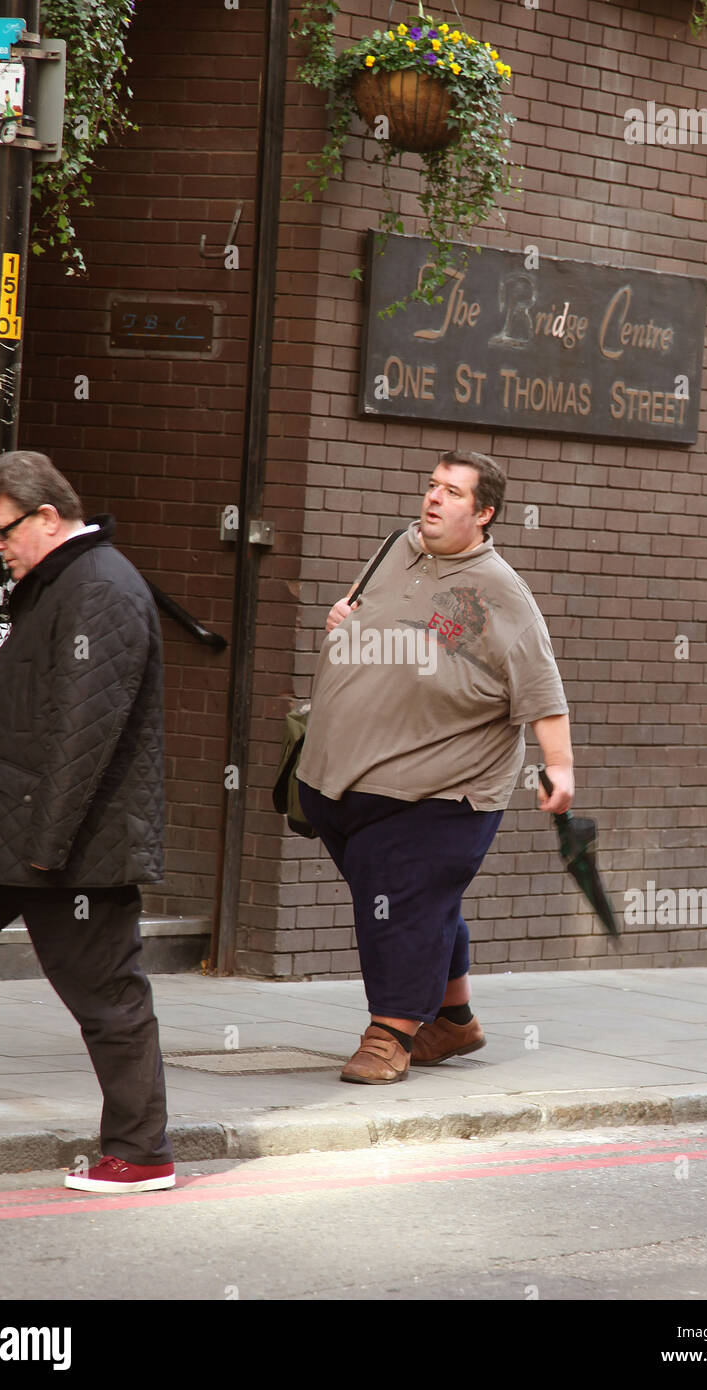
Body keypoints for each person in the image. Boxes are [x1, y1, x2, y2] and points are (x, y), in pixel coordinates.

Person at [0, 451, 175, 1192]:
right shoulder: (57, 581)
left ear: (50, 518)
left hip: (63, 851)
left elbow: (85, 731)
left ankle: (141, 1152)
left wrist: (48, 848)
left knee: (106, 997)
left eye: (3, 532)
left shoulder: (100, 588)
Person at [296, 450, 574, 1084]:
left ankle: (392, 1032)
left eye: (452, 492)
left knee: (401, 897)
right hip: (345, 779)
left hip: (442, 788)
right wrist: (340, 619)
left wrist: (559, 768)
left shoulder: (502, 590)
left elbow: (541, 689)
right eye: (431, 486)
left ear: (483, 514)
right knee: (415, 899)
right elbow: (357, 612)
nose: (433, 500)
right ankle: (453, 1022)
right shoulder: (398, 546)